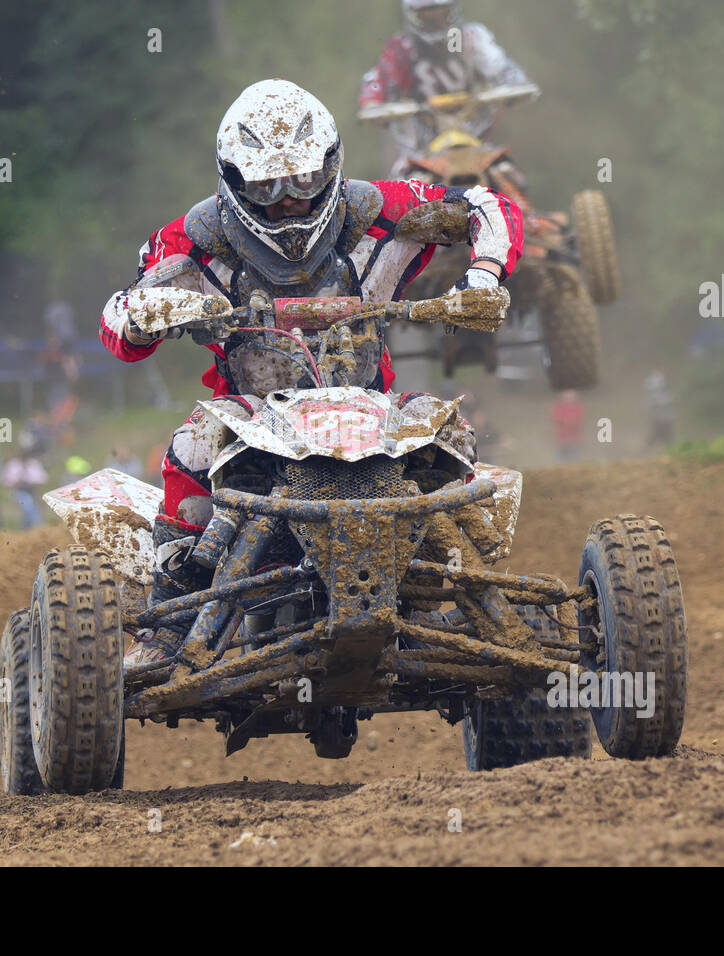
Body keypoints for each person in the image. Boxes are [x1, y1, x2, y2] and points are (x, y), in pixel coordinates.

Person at [99, 78, 525, 669]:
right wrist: (151, 313)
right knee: (194, 444)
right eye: (267, 186)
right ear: (234, 182)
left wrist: (483, 275)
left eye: (302, 180)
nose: (289, 201)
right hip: (248, 429)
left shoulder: (375, 210)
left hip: (374, 414)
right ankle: (171, 618)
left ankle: (456, 593)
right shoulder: (193, 241)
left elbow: (485, 205)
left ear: (328, 167)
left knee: (449, 431)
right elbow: (121, 321)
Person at [359, 0, 534, 179]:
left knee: (508, 174)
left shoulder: (472, 38)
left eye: (441, 14)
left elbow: (500, 65)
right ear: (412, 16)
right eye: (426, 17)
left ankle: (520, 208)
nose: (435, 23)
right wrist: (372, 101)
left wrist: (514, 82)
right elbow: (376, 80)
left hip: (476, 140)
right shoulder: (400, 49)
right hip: (421, 150)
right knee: (404, 188)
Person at [4, 439, 49, 530]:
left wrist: (31, 481)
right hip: (18, 492)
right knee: (28, 504)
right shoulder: (13, 465)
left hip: (33, 491)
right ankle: (39, 527)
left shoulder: (34, 464)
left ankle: (25, 530)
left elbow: (43, 478)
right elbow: (7, 481)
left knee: (30, 508)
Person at [549, 389, 584, 462]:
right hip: (562, 440)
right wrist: (568, 421)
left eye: (571, 395)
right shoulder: (558, 407)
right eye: (567, 395)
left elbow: (579, 420)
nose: (569, 397)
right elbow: (556, 419)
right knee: (560, 460)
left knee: (575, 459)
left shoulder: (578, 407)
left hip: (574, 440)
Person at [644, 369, 676, 448]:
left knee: (663, 435)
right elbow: (649, 404)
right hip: (660, 418)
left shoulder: (665, 392)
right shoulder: (654, 392)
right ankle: (647, 449)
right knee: (659, 435)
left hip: (665, 418)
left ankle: (647, 449)